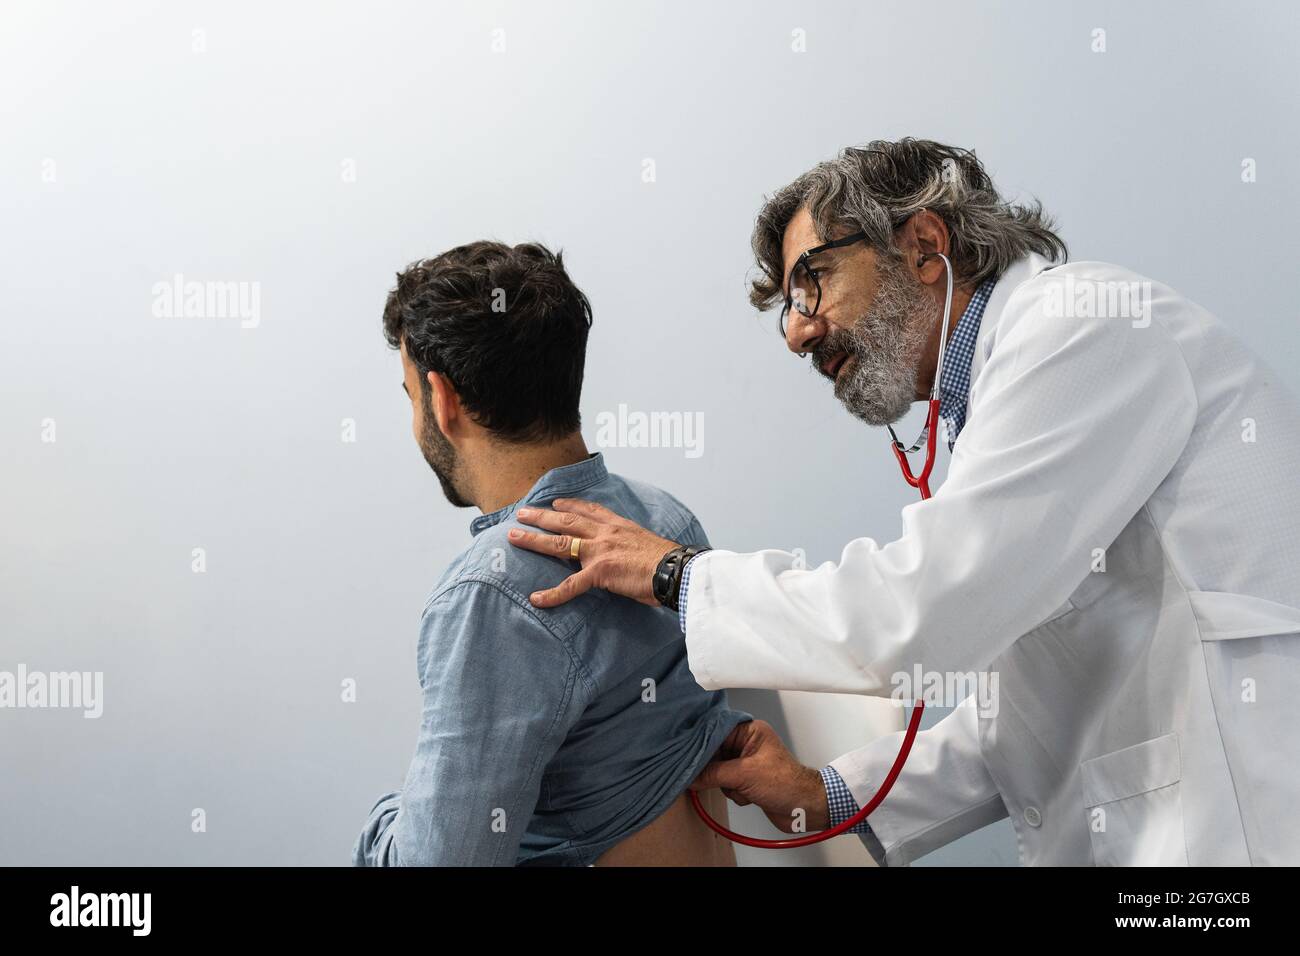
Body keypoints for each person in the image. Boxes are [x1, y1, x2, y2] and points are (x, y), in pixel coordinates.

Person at [507, 138, 1300, 865]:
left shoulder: (1084, 330)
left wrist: (678, 576)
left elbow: (918, 615)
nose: (797, 333)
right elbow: (1028, 710)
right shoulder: (1004, 393)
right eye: (789, 304)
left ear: (924, 246)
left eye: (811, 282)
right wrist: (830, 794)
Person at [353, 240, 748, 866]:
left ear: (443, 398)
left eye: (410, 396)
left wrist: (384, 819)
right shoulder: (663, 523)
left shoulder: (495, 593)